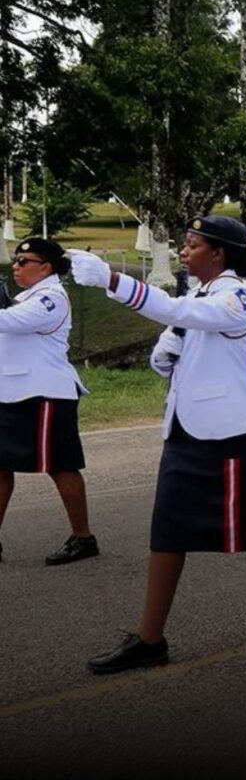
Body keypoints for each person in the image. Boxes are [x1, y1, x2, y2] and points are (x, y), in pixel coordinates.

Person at [71, 216, 246, 673]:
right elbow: (183, 327)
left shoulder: (239, 293)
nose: (184, 250)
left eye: (192, 244)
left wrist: (113, 278)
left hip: (232, 432)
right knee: (167, 532)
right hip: (186, 428)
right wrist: (166, 356)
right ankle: (150, 638)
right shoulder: (199, 293)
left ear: (219, 253)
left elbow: (183, 315)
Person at [0, 238, 97, 566]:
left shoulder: (51, 299)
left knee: (60, 466)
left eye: (23, 260)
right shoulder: (26, 297)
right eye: (15, 260)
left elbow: (9, 322)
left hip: (44, 394)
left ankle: (83, 538)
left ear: (46, 267)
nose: (16, 265)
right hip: (12, 392)